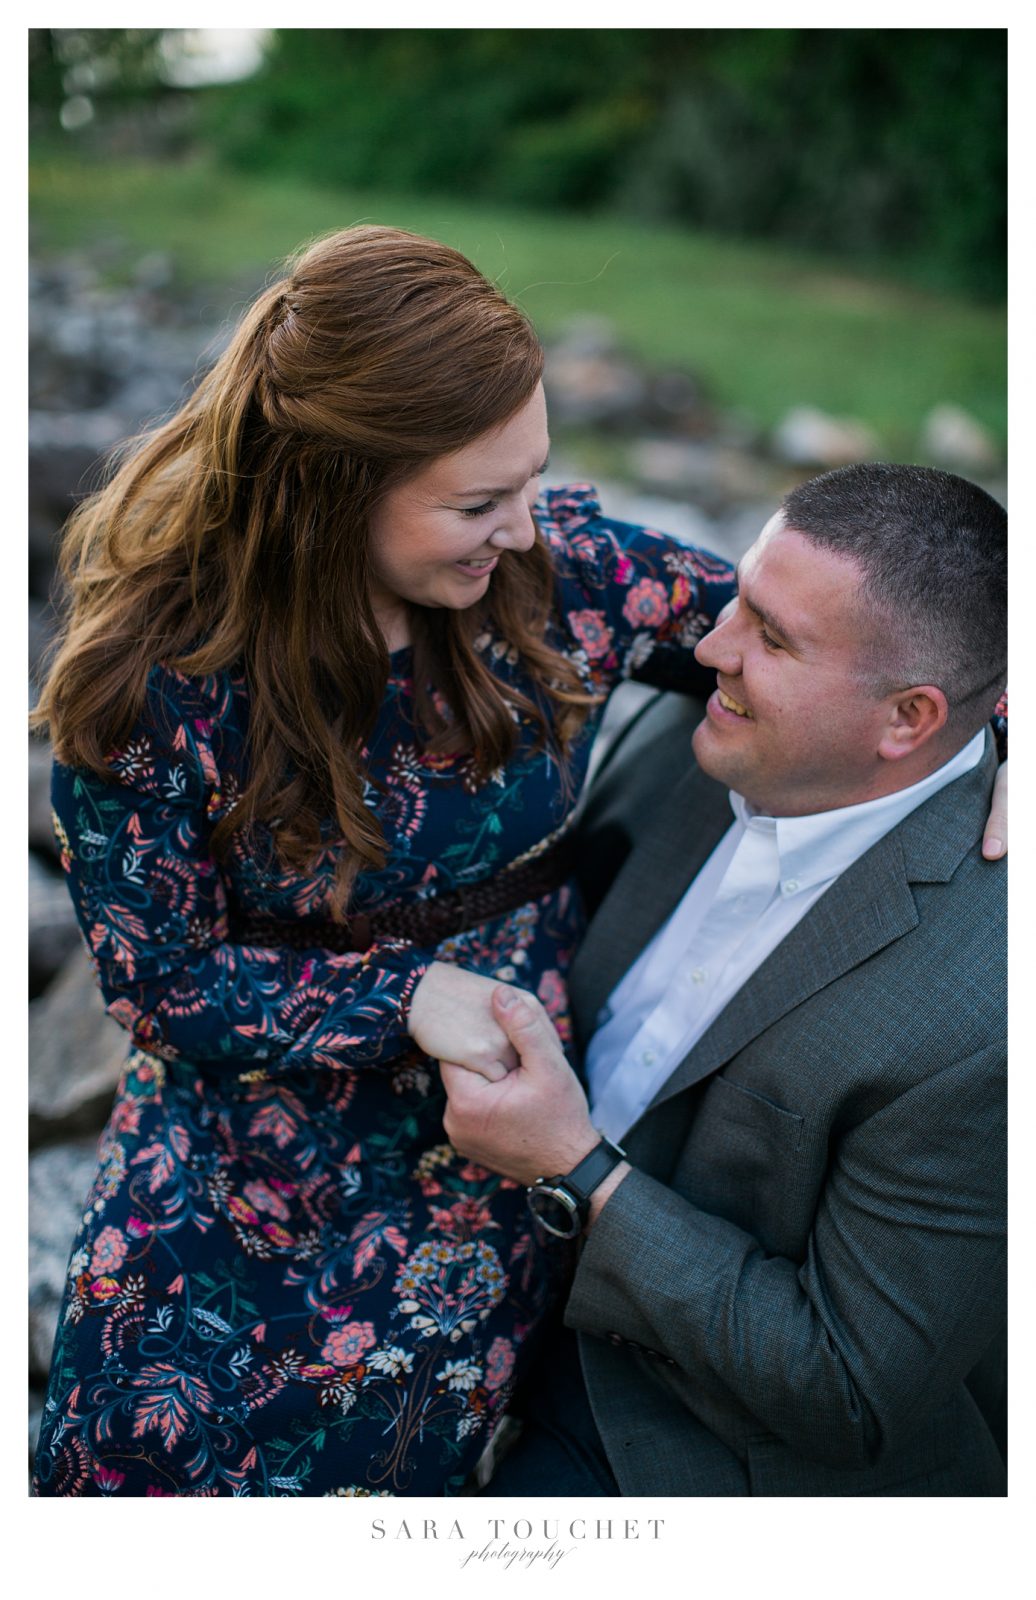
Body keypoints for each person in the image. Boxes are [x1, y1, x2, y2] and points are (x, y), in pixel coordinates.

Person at [30, 224, 744, 1497]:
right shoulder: (152, 681)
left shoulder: (562, 577)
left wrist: (998, 729)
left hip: (475, 1156)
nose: (524, 527)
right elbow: (160, 981)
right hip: (225, 1153)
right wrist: (403, 996)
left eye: (532, 478)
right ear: (326, 487)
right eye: (478, 502)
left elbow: (802, 641)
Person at [440, 463, 1008, 1497]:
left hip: (686, 1436)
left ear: (907, 720)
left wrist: (576, 1172)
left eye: (772, 637)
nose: (708, 647)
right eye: (739, 596)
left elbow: (848, 1387)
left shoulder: (988, 1015)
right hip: (472, 1256)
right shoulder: (709, 720)